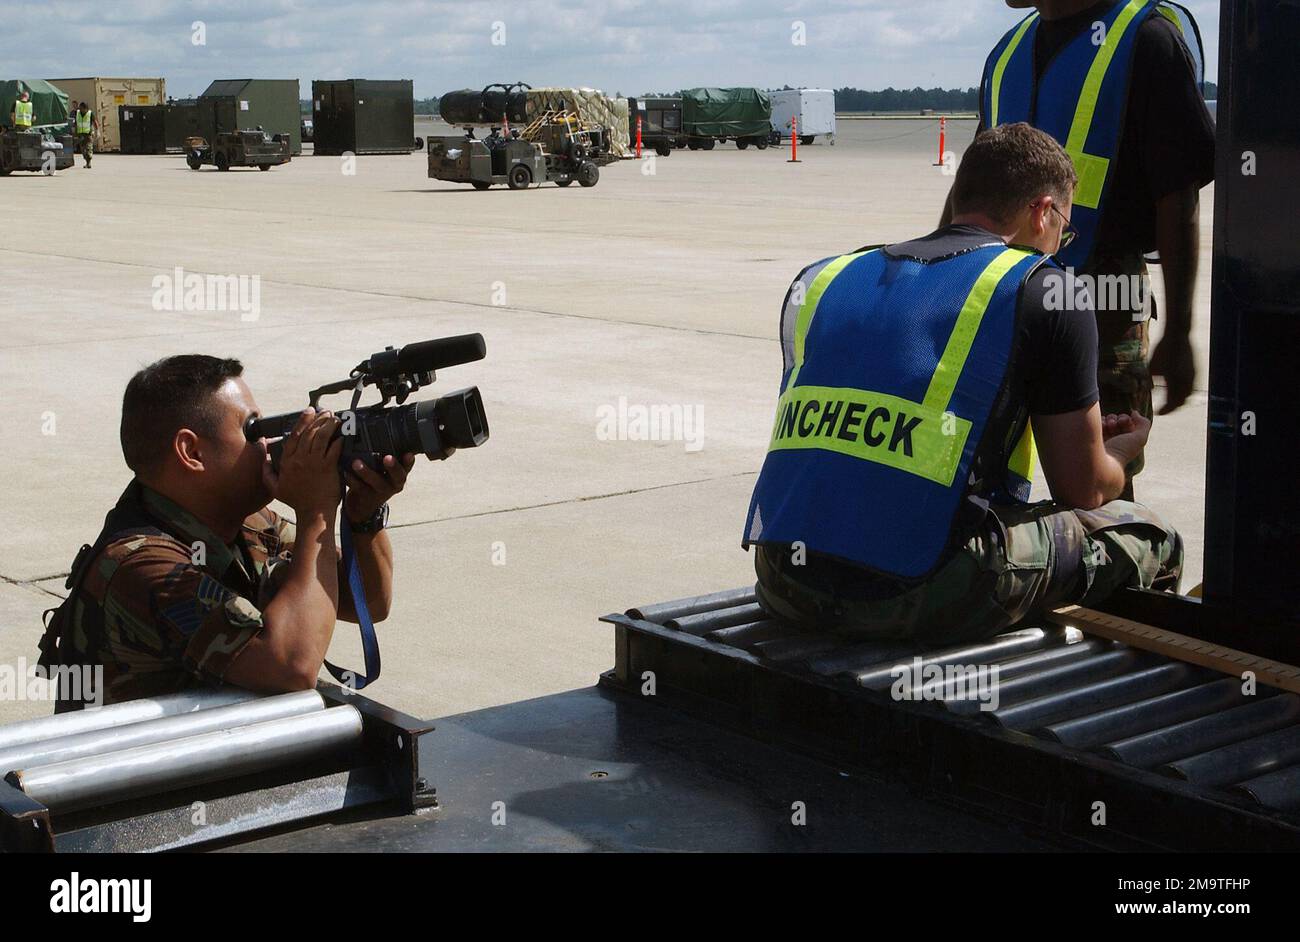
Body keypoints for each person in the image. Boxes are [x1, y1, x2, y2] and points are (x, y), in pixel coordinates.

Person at [745, 123, 1182, 647]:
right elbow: (1081, 489)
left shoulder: (828, 275)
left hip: (784, 578)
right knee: (1148, 535)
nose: (1060, 244)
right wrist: (1120, 456)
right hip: (917, 590)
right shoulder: (1046, 290)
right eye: (1063, 228)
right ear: (1043, 211)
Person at [37, 355, 416, 711]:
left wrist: (361, 517)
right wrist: (316, 510)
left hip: (205, 759)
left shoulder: (250, 522)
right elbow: (290, 668)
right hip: (131, 776)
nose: (268, 444)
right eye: (252, 429)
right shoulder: (138, 566)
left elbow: (367, 601)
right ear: (191, 452)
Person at [945, 0, 1215, 498]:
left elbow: (1178, 198)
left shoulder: (1147, 40)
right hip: (999, 289)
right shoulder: (1009, 51)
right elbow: (974, 184)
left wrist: (1179, 332)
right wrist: (944, 276)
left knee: (1100, 487)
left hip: (1101, 293)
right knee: (978, 455)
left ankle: (1117, 571)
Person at [73, 101, 97, 168]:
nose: (81, 110)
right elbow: (75, 124)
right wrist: (75, 133)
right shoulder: (77, 113)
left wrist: (97, 131)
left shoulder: (90, 113)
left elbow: (95, 122)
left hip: (88, 134)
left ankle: (89, 163)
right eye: (80, 108)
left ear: (86, 108)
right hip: (80, 135)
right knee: (83, 150)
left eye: (82, 109)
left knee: (89, 148)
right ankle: (87, 162)